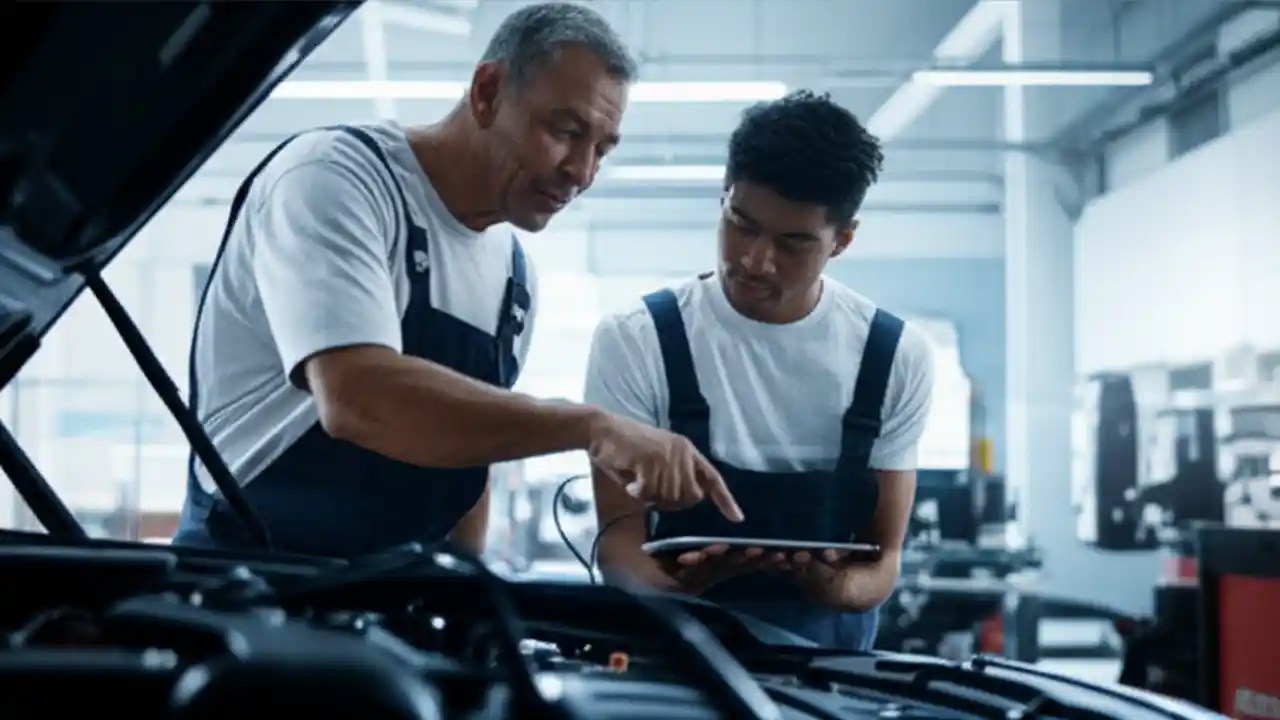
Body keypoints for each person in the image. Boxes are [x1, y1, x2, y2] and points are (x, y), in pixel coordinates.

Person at [172, 3, 741, 558]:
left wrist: (468, 585)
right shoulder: (336, 180)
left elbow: (467, 453)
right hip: (247, 589)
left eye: (602, 149)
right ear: (487, 92)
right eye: (566, 130)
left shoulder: (514, 279)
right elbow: (357, 397)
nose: (582, 171)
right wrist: (591, 426)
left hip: (388, 610)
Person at [585, 90, 934, 650]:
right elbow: (618, 546)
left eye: (793, 242)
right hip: (678, 667)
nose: (753, 260)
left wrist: (834, 587)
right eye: (740, 223)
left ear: (842, 240)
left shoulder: (893, 357)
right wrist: (674, 591)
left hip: (829, 678)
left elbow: (885, 561)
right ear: (723, 197)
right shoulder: (637, 339)